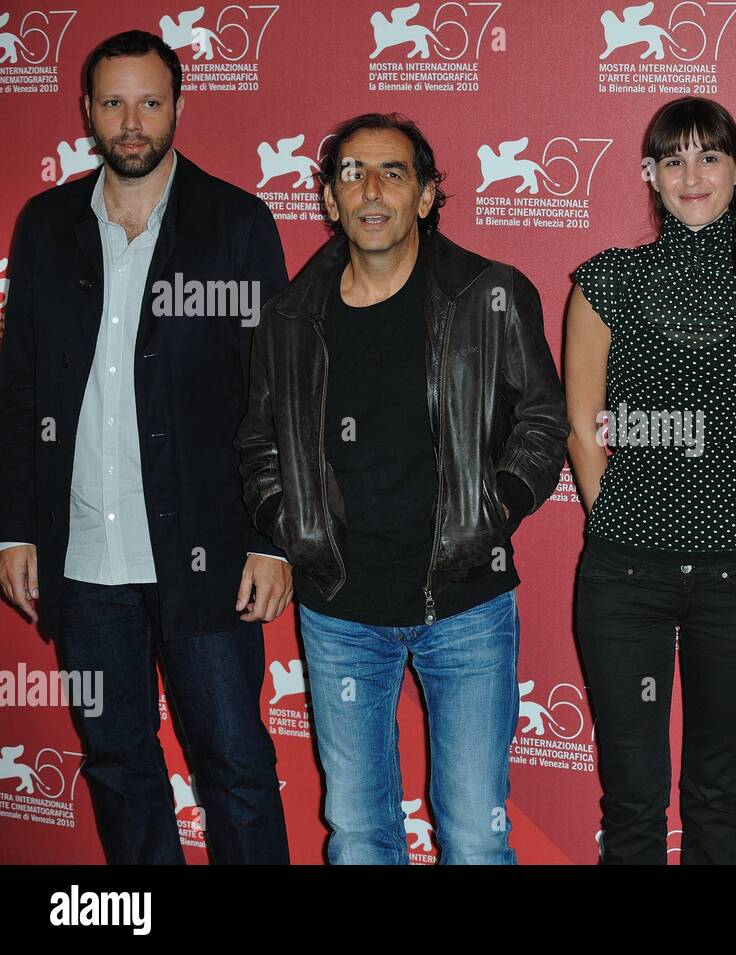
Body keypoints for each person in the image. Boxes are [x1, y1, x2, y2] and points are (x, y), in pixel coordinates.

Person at [237, 112, 568, 864]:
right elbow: (258, 443)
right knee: (357, 835)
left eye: (393, 171)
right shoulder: (289, 318)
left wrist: (493, 509)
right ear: (329, 199)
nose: (372, 189)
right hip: (339, 610)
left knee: (475, 837)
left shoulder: (491, 293)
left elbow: (544, 422)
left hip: (466, 603)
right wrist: (291, 526)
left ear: (424, 196)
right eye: (352, 173)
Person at [0, 30, 291, 864]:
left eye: (150, 103)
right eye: (114, 103)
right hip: (85, 561)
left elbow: (273, 392)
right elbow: (19, 388)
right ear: (87, 110)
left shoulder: (234, 222)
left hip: (206, 551)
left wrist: (272, 538)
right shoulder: (47, 223)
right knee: (119, 766)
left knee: (235, 768)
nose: (133, 123)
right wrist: (15, 527)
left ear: (179, 108)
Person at [565, 96, 736, 865]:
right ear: (650, 175)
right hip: (624, 576)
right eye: (674, 158)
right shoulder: (606, 280)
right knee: (632, 797)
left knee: (718, 791)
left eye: (708, 156)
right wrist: (619, 521)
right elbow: (583, 425)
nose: (691, 174)